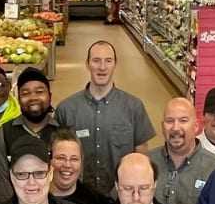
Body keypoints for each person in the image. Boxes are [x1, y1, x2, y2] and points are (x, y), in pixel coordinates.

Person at [55, 40, 154, 194]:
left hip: (119, 197)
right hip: (78, 196)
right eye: (96, 61)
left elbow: (141, 153)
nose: (102, 67)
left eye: (108, 61)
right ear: (87, 64)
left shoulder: (133, 107)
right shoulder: (66, 109)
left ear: (115, 64)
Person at [0, 67, 60, 202]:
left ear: (50, 96)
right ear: (18, 98)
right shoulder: (3, 134)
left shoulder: (61, 134)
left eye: (39, 92)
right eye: (26, 93)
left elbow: (68, 179)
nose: (33, 98)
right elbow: (0, 184)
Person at [150, 97, 215, 204]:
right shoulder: (146, 163)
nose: (175, 127)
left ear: (196, 126)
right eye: (169, 121)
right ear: (162, 127)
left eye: (183, 120)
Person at [50, 129, 113, 204]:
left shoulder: (97, 203)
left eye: (74, 159)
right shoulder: (35, 199)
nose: (67, 165)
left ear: (81, 162)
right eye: (61, 158)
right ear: (49, 160)